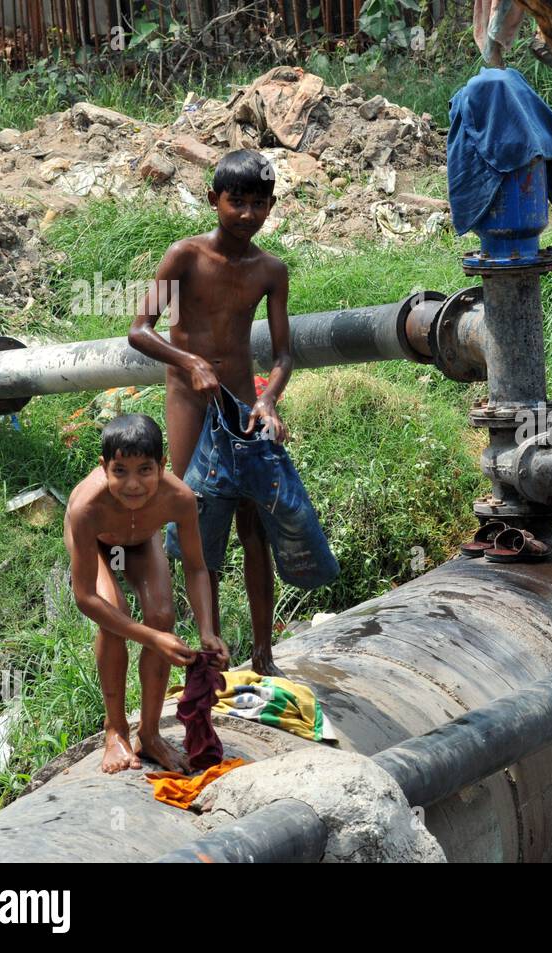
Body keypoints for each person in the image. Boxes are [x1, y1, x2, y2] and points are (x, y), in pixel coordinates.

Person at [129, 148, 336, 677]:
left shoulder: (271, 269)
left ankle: (264, 651)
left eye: (259, 204)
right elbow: (140, 330)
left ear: (271, 207)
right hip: (189, 399)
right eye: (236, 201)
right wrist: (189, 361)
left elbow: (285, 354)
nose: (247, 214)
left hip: (242, 400)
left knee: (255, 526)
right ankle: (211, 652)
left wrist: (268, 400)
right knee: (200, 523)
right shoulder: (185, 257)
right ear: (213, 199)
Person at [64, 414, 227, 774]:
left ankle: (150, 734)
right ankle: (115, 730)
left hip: (140, 543)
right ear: (104, 468)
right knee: (113, 613)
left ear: (162, 466)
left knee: (162, 616)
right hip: (97, 545)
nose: (133, 484)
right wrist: (154, 639)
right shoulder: (87, 508)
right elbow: (85, 598)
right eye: (120, 471)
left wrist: (206, 631)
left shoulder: (179, 497)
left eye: (145, 470)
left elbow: (197, 567)